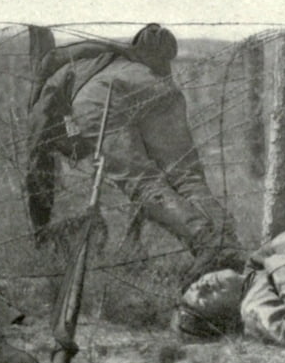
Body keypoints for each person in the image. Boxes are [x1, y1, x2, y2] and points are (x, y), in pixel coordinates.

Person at [26, 23, 242, 284]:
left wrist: (40, 227)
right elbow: (76, 142)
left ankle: (205, 241)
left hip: (100, 96)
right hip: (158, 86)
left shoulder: (51, 84)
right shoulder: (112, 58)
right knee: (186, 175)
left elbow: (37, 154)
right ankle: (228, 243)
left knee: (143, 183)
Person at [172, 225, 285, 348]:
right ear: (224, 320)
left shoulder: (255, 269)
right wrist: (283, 269)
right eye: (204, 300)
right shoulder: (254, 308)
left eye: (195, 286)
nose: (204, 286)